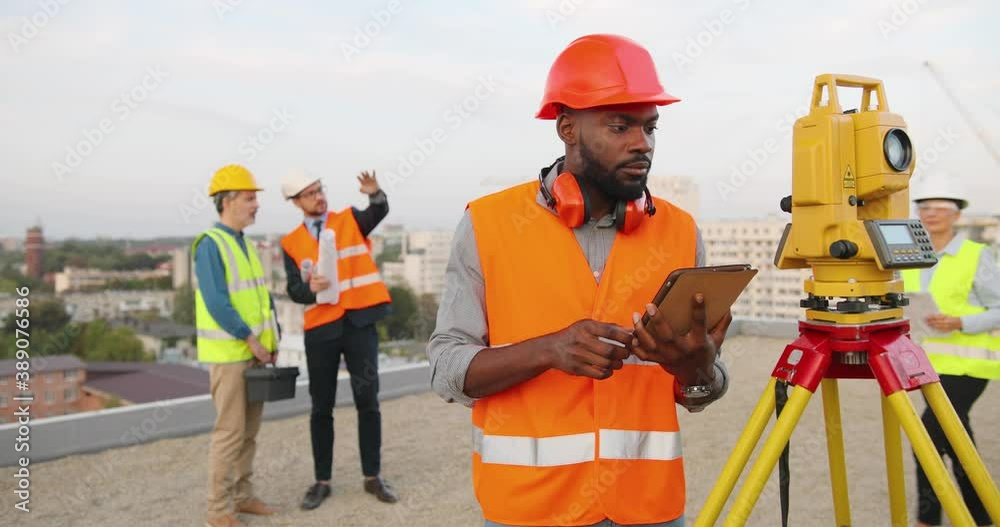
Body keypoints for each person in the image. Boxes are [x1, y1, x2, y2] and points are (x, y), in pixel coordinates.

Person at [426, 34, 734, 527]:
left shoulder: (680, 232)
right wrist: (547, 350)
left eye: (650, 127)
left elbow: (701, 390)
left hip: (649, 509)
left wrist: (697, 372)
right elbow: (446, 369)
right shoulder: (488, 224)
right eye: (620, 126)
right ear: (567, 128)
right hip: (528, 511)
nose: (642, 143)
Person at [279, 168, 399, 511]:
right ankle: (322, 481)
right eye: (310, 193)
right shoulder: (290, 243)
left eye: (320, 189)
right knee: (321, 407)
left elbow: (378, 211)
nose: (319, 196)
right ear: (296, 202)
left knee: (368, 401)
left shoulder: (349, 220)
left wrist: (375, 193)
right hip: (321, 329)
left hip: (359, 323)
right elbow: (294, 289)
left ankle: (373, 476)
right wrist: (310, 289)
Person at [901, 175, 1000, 527]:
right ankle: (983, 516)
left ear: (957, 215)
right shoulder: (911, 255)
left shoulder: (976, 255)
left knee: (928, 436)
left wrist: (960, 322)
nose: (931, 213)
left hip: (970, 365)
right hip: (929, 364)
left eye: (940, 208)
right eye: (924, 207)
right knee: (958, 443)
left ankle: (928, 519)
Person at [194, 164, 281, 527]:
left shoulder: (244, 244)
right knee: (229, 434)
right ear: (227, 201)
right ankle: (218, 510)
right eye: (249, 198)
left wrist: (272, 339)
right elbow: (217, 301)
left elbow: (261, 299)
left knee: (248, 434)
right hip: (231, 355)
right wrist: (250, 339)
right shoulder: (210, 245)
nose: (256, 205)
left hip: (255, 353)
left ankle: (243, 497)